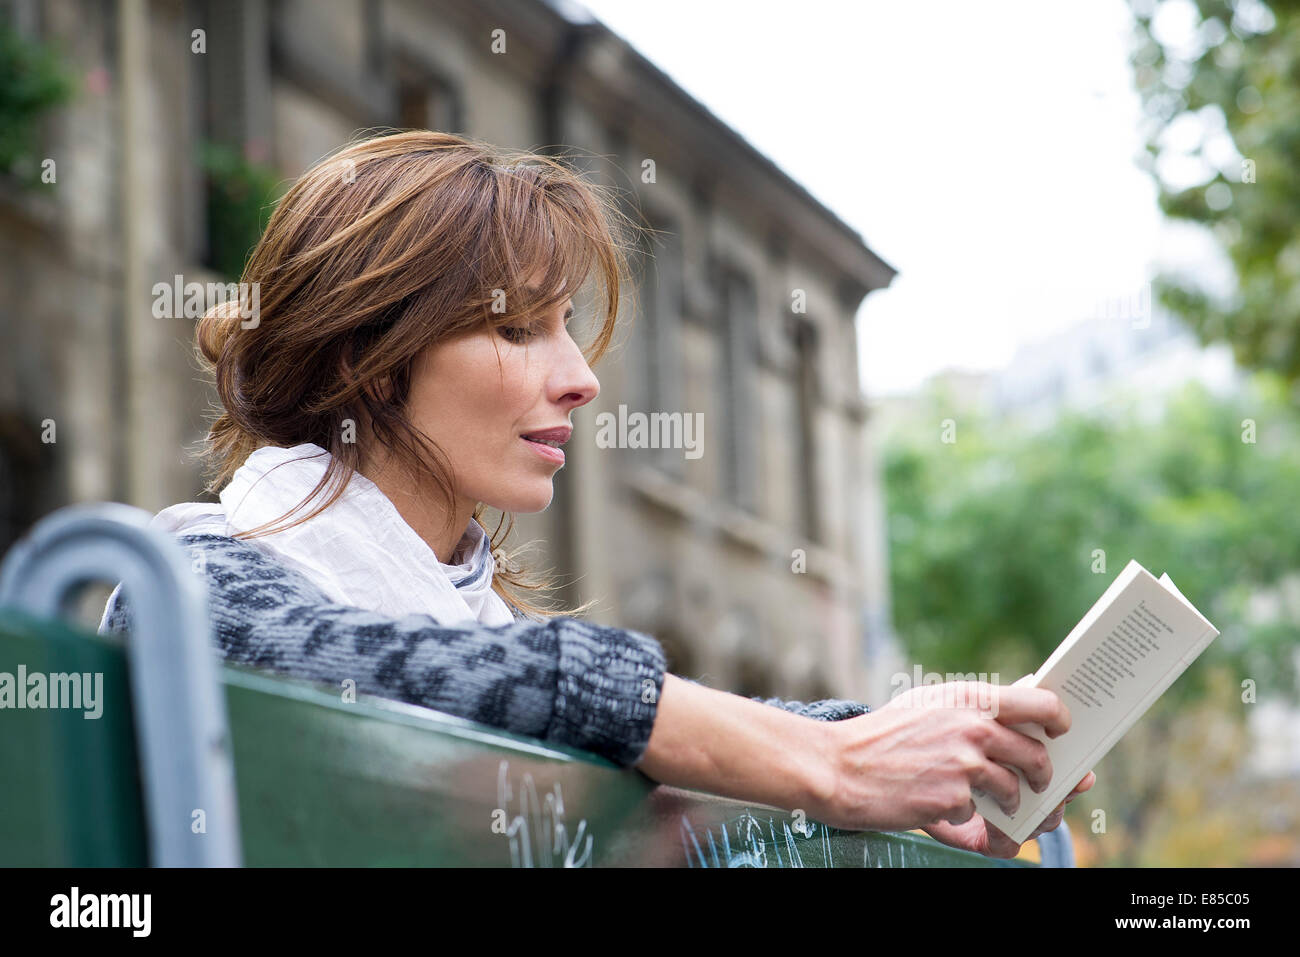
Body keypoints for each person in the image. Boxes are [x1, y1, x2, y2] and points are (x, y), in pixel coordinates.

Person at [101, 130, 1092, 860]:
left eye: (565, 326)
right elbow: (487, 676)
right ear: (368, 356)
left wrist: (932, 762)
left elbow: (540, 691)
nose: (581, 377)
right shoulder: (197, 586)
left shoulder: (465, 617)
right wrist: (837, 766)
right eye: (520, 330)